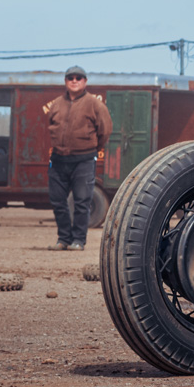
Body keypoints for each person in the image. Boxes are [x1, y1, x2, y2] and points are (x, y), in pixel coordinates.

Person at [42, 65, 112, 251]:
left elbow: (105, 130)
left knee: (82, 201)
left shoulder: (94, 104)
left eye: (78, 78)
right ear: (65, 81)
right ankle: (63, 239)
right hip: (58, 159)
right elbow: (50, 125)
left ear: (85, 81)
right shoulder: (56, 104)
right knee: (57, 200)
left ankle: (78, 241)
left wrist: (92, 149)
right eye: (70, 77)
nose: (74, 80)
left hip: (84, 159)